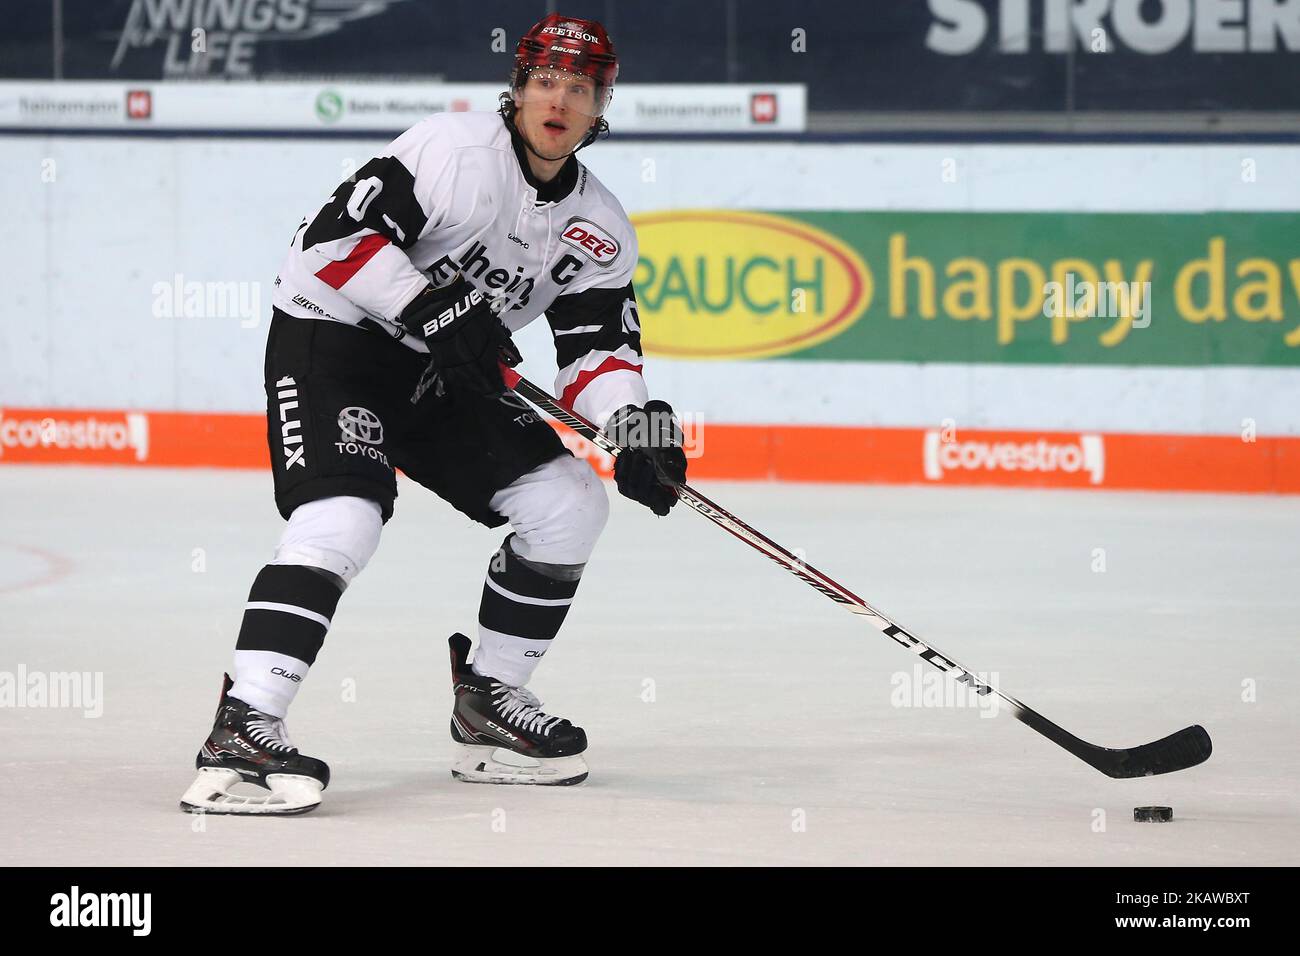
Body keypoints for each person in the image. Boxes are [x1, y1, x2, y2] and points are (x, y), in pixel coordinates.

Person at [180, 14, 687, 815]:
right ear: (518, 88)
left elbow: (597, 356)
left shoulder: (603, 229)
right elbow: (333, 242)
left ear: (601, 109)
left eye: (580, 88)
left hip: (441, 371)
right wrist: (436, 308)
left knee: (567, 504)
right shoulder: (454, 154)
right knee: (345, 516)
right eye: (546, 80)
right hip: (336, 336)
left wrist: (635, 428)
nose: (559, 99)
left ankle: (489, 701)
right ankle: (245, 722)